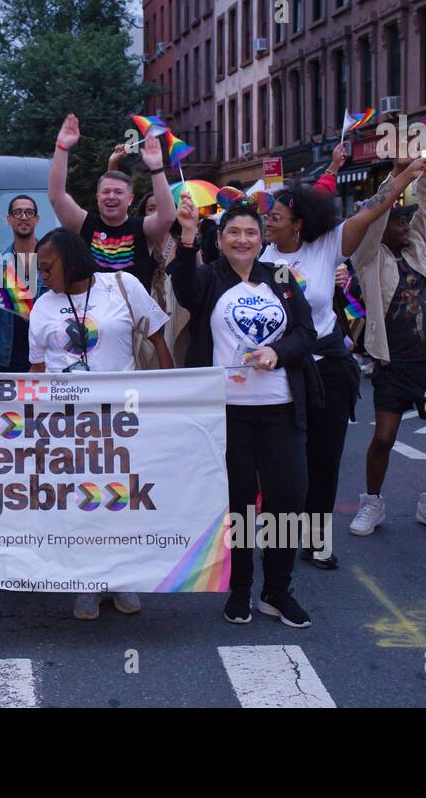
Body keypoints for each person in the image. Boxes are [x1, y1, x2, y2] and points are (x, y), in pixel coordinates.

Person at [260, 140, 426, 569]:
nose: (266, 223)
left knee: (324, 458)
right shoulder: (257, 257)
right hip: (276, 372)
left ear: (297, 224)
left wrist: (404, 177)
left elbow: (373, 209)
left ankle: (316, 540)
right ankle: (277, 536)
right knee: (282, 461)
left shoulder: (329, 246)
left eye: (274, 218)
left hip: (328, 371)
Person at [172, 193, 319, 627]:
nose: (242, 239)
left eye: (251, 232)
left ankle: (277, 590)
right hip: (227, 413)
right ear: (219, 239)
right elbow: (183, 291)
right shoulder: (207, 277)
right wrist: (184, 238)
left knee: (286, 502)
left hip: (281, 409)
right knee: (237, 505)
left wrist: (277, 351)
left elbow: (306, 332)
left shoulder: (281, 275)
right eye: (233, 232)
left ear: (261, 240)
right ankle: (239, 589)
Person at [28, 227, 171, 621]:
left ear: (71, 259)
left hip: (122, 419)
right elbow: (36, 371)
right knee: (81, 502)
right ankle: (87, 583)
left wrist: (173, 395)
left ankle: (122, 579)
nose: (42, 274)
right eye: (39, 268)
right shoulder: (42, 307)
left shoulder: (122, 286)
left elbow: (158, 340)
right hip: (68, 424)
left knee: (121, 500)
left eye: (47, 266)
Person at [347, 154, 426, 538]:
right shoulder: (369, 256)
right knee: (384, 436)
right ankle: (372, 502)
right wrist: (397, 175)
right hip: (395, 366)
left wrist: (425, 173)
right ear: (383, 227)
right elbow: (375, 213)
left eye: (408, 221)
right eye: (399, 221)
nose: (406, 226)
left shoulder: (418, 247)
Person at [48, 114, 177, 290]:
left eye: (118, 192)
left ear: (130, 199)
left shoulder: (143, 228)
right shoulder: (84, 223)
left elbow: (168, 216)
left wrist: (156, 167)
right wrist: (62, 147)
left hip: (132, 316)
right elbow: (57, 197)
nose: (111, 196)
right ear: (97, 196)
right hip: (92, 315)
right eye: (106, 192)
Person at [0, 194, 45, 373]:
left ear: (37, 219)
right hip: (8, 359)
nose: (24, 217)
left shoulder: (51, 259)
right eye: (18, 212)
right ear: (9, 219)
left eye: (29, 212)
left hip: (46, 358)